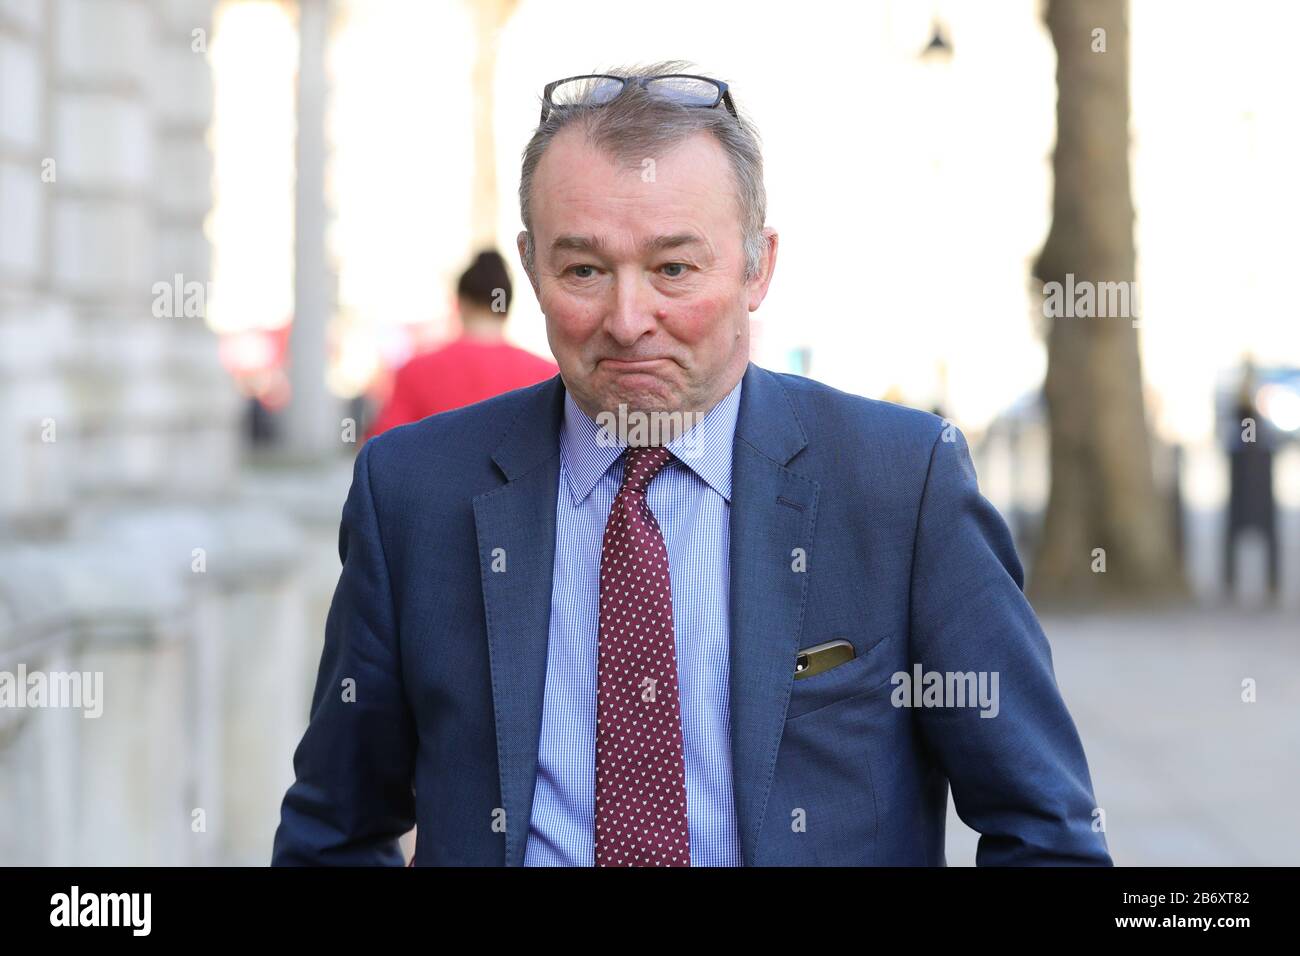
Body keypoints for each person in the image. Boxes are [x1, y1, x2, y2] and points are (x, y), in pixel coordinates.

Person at [273, 61, 1111, 867]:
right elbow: (334, 831)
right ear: (531, 269)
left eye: (673, 268)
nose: (628, 318)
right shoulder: (413, 494)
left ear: (758, 266)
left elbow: (1045, 829)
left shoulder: (902, 484)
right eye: (585, 270)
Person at [365, 250, 558, 438]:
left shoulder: (415, 371)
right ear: (506, 305)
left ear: (461, 303)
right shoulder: (548, 375)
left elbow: (383, 448)